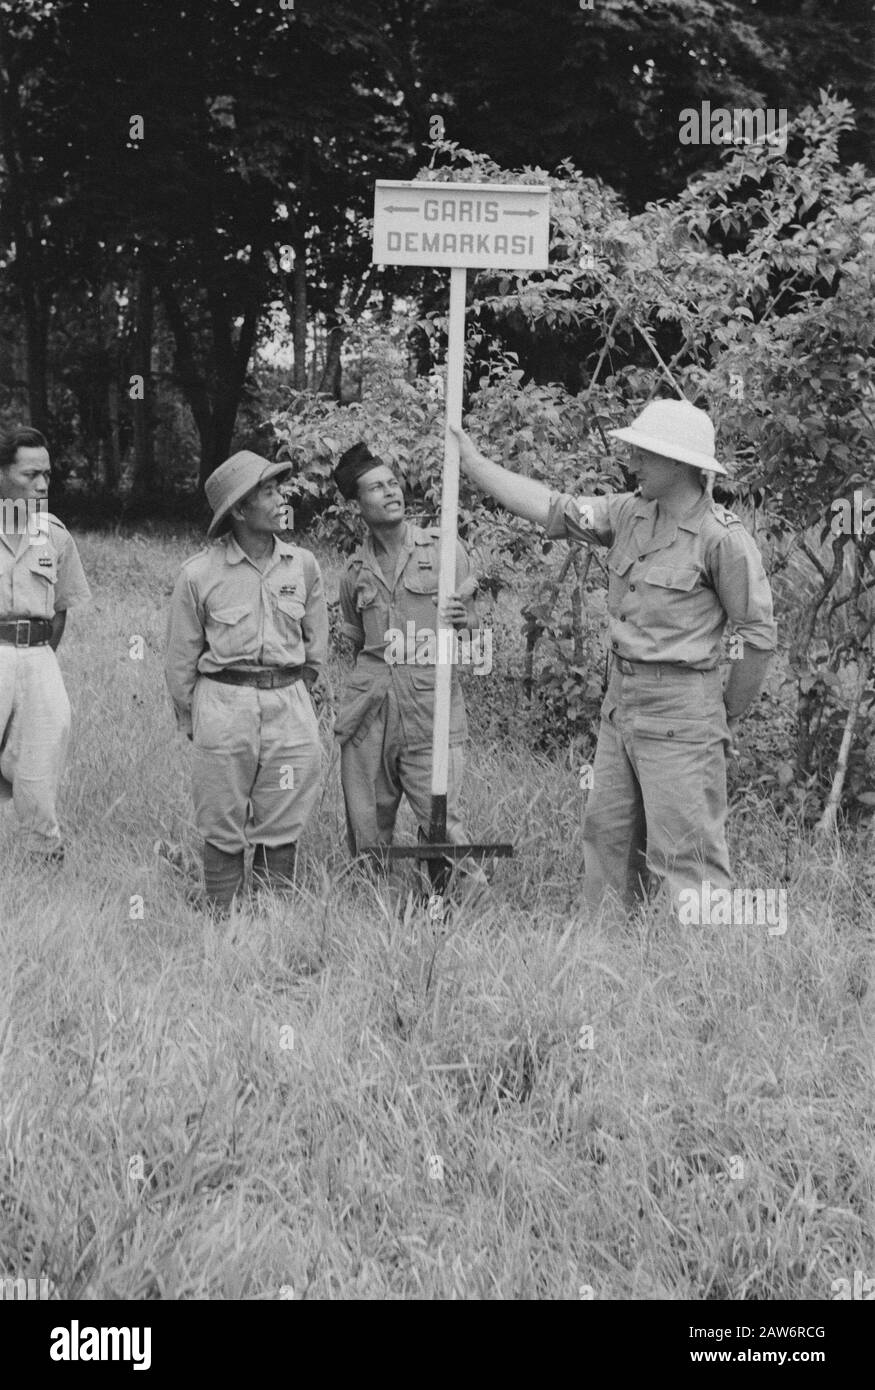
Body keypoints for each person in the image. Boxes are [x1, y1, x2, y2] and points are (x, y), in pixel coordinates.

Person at [452, 398, 777, 913]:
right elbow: (553, 507)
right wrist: (475, 465)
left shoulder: (722, 539)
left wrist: (724, 715)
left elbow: (757, 634)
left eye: (644, 454)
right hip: (621, 704)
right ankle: (607, 967)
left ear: (679, 462)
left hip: (683, 712)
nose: (632, 463)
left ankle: (698, 978)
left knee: (684, 858)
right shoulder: (628, 513)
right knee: (606, 839)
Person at [165, 450, 328, 914]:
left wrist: (298, 692)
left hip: (289, 705)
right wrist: (199, 716)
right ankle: (223, 919)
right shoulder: (198, 573)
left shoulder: (303, 565)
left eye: (280, 489)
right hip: (223, 705)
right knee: (221, 817)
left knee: (283, 815)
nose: (282, 500)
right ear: (238, 509)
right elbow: (181, 661)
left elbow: (316, 646)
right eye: (269, 492)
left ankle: (272, 920)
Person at [333, 442, 481, 885]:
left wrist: (465, 620)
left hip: (429, 709)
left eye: (393, 483)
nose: (391, 492)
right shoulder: (354, 570)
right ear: (357, 505)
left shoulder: (443, 549)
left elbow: (475, 636)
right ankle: (372, 909)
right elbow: (356, 643)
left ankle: (459, 905)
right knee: (366, 826)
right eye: (376, 488)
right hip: (369, 713)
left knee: (442, 820)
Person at [0, 426, 91, 863]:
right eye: (29, 474)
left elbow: (61, 609)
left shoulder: (55, 536)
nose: (41, 485)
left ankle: (42, 851)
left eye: (47, 475)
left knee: (42, 753)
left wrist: (37, 658)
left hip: (38, 657)